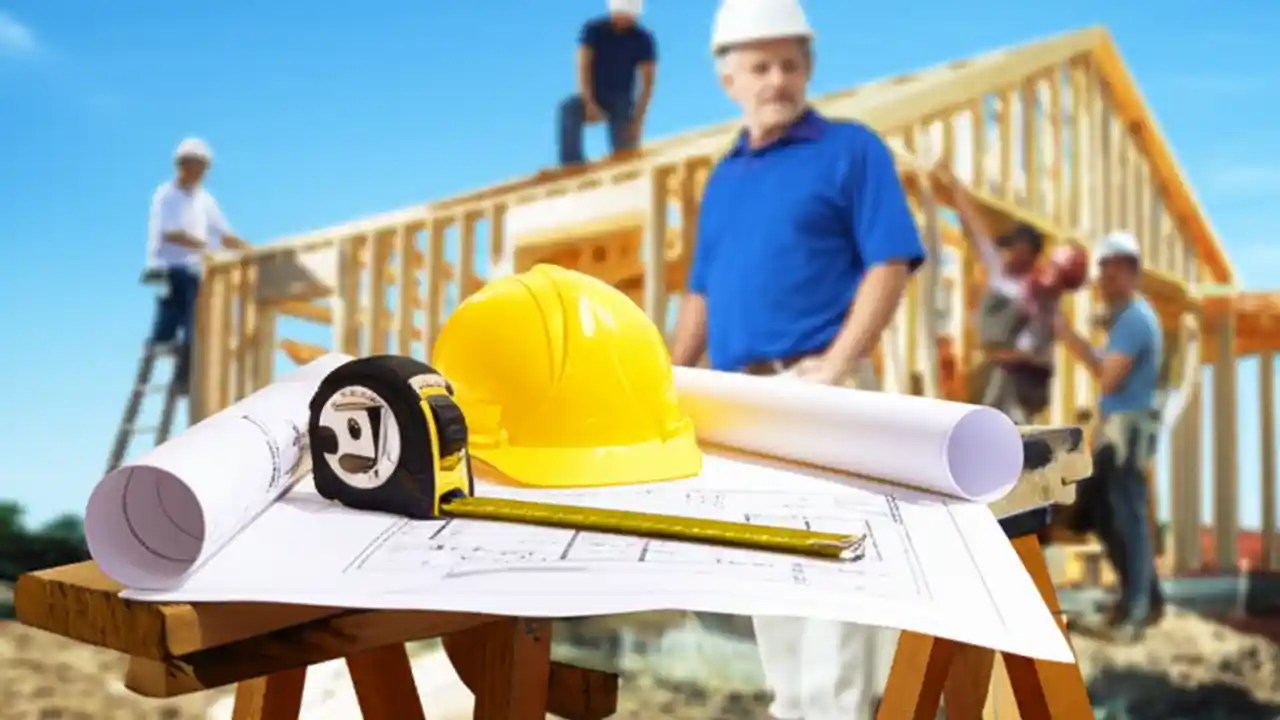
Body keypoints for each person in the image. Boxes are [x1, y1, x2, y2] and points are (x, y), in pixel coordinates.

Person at [670, 1, 926, 716]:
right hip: (744, 400)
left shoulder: (852, 150)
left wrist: (839, 364)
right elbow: (701, 296)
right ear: (729, 80)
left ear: (808, 68)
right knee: (770, 582)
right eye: (760, 66)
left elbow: (890, 261)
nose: (776, 80)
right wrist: (664, 382)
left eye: (790, 64)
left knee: (835, 580)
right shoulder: (723, 180)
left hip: (822, 386)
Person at [1053, 230, 1165, 642]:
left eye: (1114, 271)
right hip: (1117, 429)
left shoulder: (1135, 320)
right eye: (1103, 271)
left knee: (1128, 519)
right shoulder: (1127, 319)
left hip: (1126, 431)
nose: (1105, 279)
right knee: (1103, 513)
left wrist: (1067, 334)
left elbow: (1109, 377)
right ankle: (1148, 601)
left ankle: (1136, 612)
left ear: (1133, 274)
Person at [936, 164, 1058, 424]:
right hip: (996, 371)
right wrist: (955, 188)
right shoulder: (999, 274)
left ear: (1030, 253)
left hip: (1018, 381)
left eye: (1017, 249)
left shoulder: (1037, 292)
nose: (1010, 254)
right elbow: (975, 231)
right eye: (1010, 248)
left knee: (1009, 430)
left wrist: (1007, 357)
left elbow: (1039, 352)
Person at [145, 137, 249, 393]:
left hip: (191, 269)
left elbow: (224, 234)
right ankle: (179, 375)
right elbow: (171, 234)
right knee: (181, 324)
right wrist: (206, 247)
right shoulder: (166, 195)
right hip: (167, 268)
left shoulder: (204, 200)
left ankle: (181, 376)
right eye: (199, 166)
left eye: (205, 168)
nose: (203, 173)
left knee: (192, 323)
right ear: (184, 165)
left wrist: (250, 250)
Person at [556, 0, 656, 167]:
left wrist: (638, 120)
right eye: (621, 15)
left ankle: (625, 162)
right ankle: (572, 165)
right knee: (569, 108)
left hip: (622, 101)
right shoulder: (593, 30)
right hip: (593, 93)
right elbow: (582, 65)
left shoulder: (643, 39)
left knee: (626, 153)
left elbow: (647, 83)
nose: (624, 20)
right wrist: (588, 102)